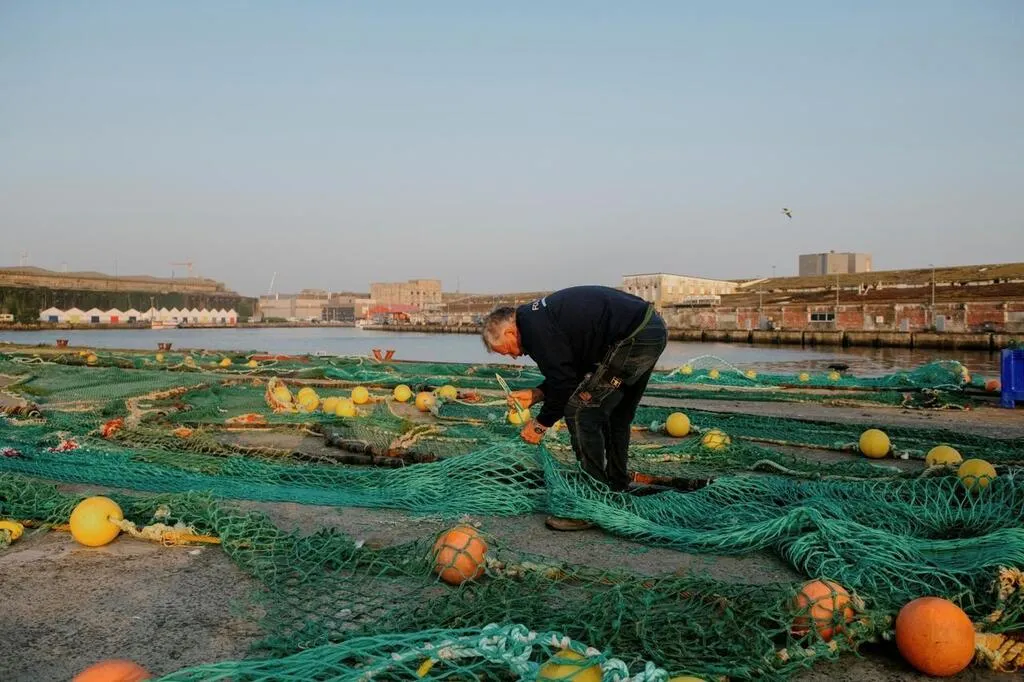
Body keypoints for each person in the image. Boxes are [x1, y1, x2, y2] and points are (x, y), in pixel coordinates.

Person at [481, 285, 668, 531]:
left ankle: (593, 506)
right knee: (616, 416)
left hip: (632, 338)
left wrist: (541, 424)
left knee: (580, 412)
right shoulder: (538, 318)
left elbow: (565, 385)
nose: (514, 357)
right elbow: (574, 369)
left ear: (508, 332)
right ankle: (617, 488)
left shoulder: (532, 328)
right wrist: (537, 394)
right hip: (650, 329)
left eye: (505, 352)